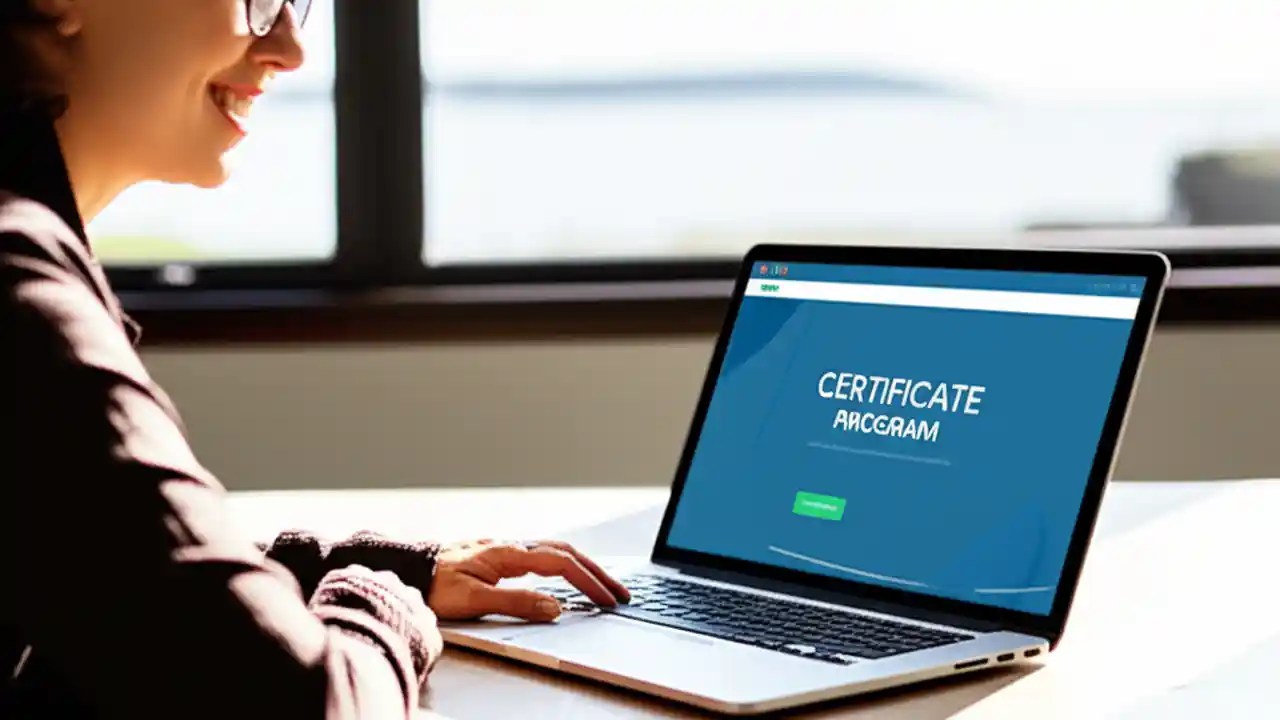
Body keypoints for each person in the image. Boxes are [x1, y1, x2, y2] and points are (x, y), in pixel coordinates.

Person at [0, 1, 630, 718]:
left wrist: (385, 568)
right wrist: (375, 606)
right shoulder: (17, 286)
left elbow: (96, 578)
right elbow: (302, 703)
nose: (290, 49)